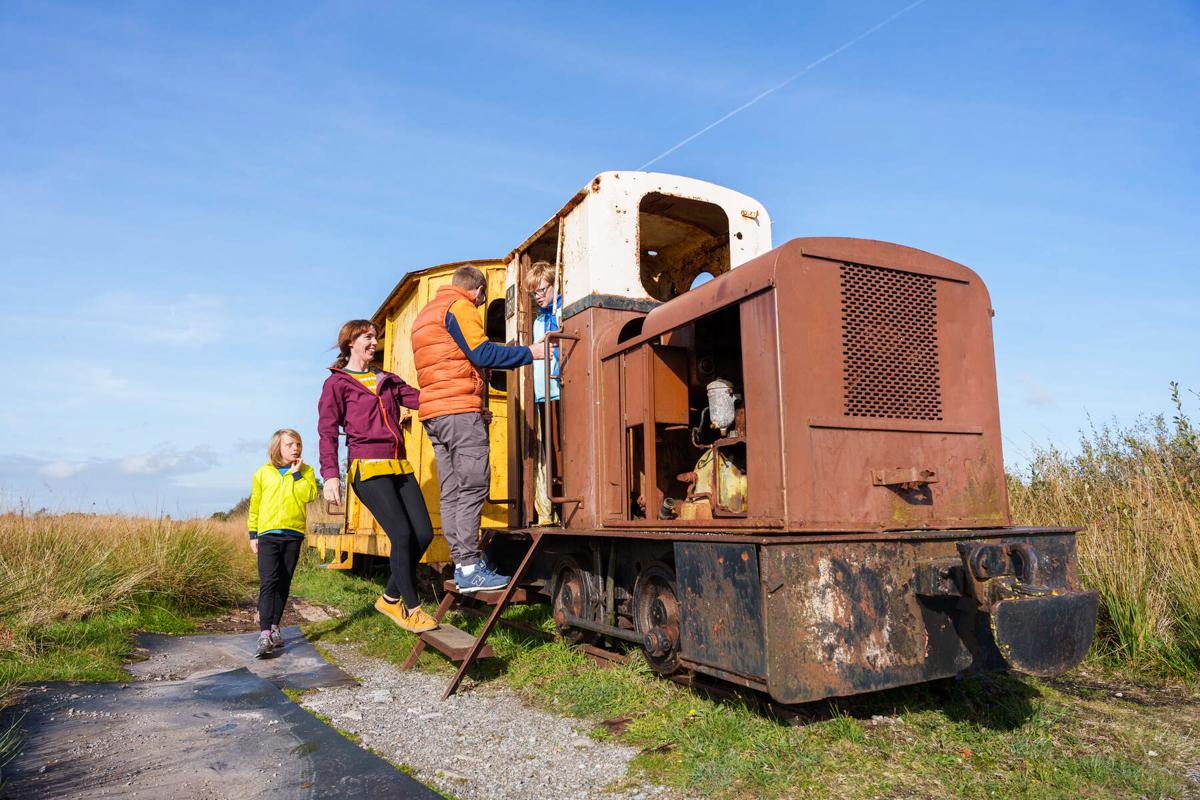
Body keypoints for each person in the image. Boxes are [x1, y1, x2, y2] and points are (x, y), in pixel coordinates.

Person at [411, 265, 546, 593]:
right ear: (479, 291)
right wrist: (531, 352)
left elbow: (449, 363)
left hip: (435, 414)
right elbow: (482, 352)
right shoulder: (461, 307)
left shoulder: (424, 316)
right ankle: (470, 567)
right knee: (473, 485)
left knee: (452, 490)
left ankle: (462, 562)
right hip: (457, 411)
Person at [318, 319, 439, 633]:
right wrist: (330, 474)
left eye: (375, 337)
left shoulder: (386, 379)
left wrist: (456, 400)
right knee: (401, 534)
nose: (374, 342)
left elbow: (419, 399)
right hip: (368, 468)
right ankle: (411, 610)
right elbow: (327, 432)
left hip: (398, 464)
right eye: (368, 337)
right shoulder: (337, 383)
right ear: (350, 343)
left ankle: (389, 596)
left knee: (423, 534)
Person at [248, 428, 319, 658]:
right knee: (268, 582)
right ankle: (265, 634)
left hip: (293, 534)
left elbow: (308, 495)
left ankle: (276, 627)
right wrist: (253, 534)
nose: (295, 448)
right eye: (290, 444)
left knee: (283, 583)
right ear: (278, 446)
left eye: (298, 444)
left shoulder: (306, 471)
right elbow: (255, 504)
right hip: (268, 534)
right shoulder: (263, 473)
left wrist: (296, 474)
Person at [527, 261, 561, 525]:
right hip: (541, 393)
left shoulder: (563, 311)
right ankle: (547, 508)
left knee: (562, 448)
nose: (538, 296)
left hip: (559, 389)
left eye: (541, 290)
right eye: (533, 293)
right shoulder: (538, 320)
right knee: (546, 449)